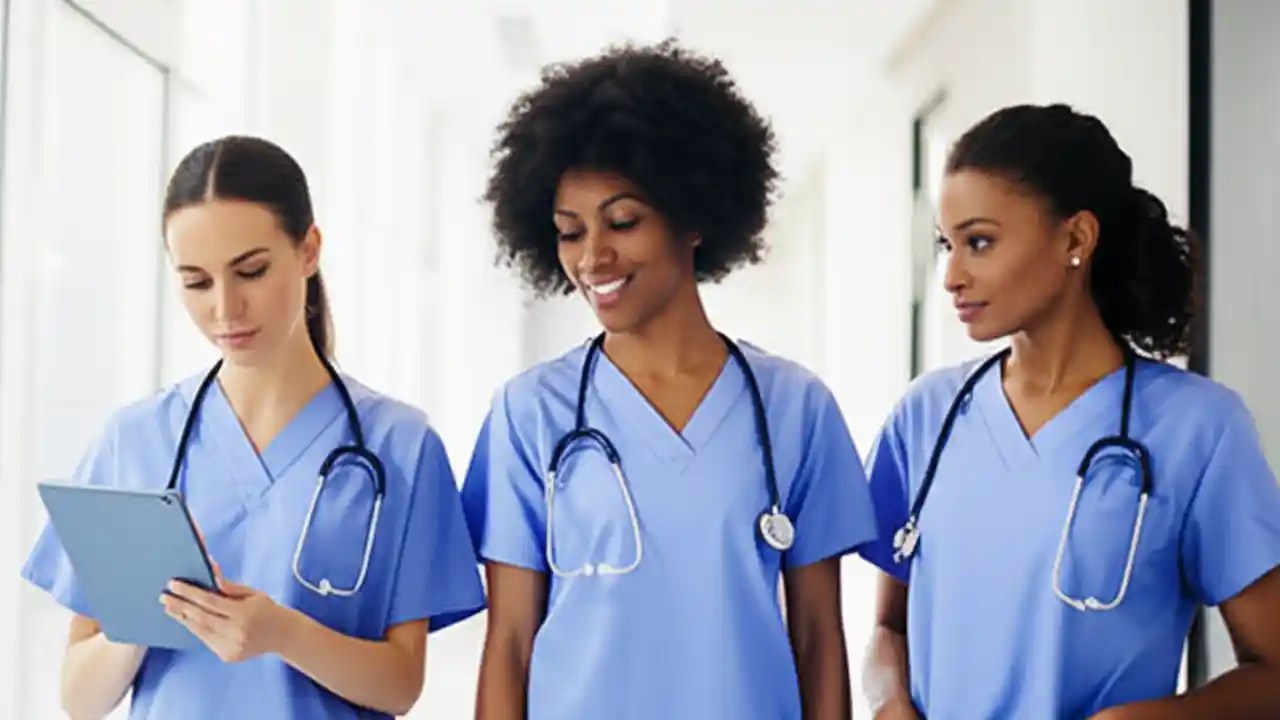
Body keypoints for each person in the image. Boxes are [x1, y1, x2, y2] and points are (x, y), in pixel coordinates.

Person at [460, 40, 879, 720]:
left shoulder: (795, 408)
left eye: (623, 222)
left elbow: (818, 640)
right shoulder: (531, 412)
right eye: (570, 232)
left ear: (692, 218)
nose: (593, 257)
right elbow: (509, 644)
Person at [21, 136, 485, 719]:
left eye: (251, 271)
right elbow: (79, 700)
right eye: (196, 282)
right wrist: (142, 617)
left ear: (309, 250)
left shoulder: (400, 446)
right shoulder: (133, 442)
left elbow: (400, 685)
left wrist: (281, 634)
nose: (225, 308)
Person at [860, 103, 1280, 719]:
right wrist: (888, 703)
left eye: (979, 243)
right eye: (946, 245)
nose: (951, 275)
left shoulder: (1198, 428)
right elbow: (886, 631)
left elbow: (1271, 673)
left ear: (1076, 238)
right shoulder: (927, 415)